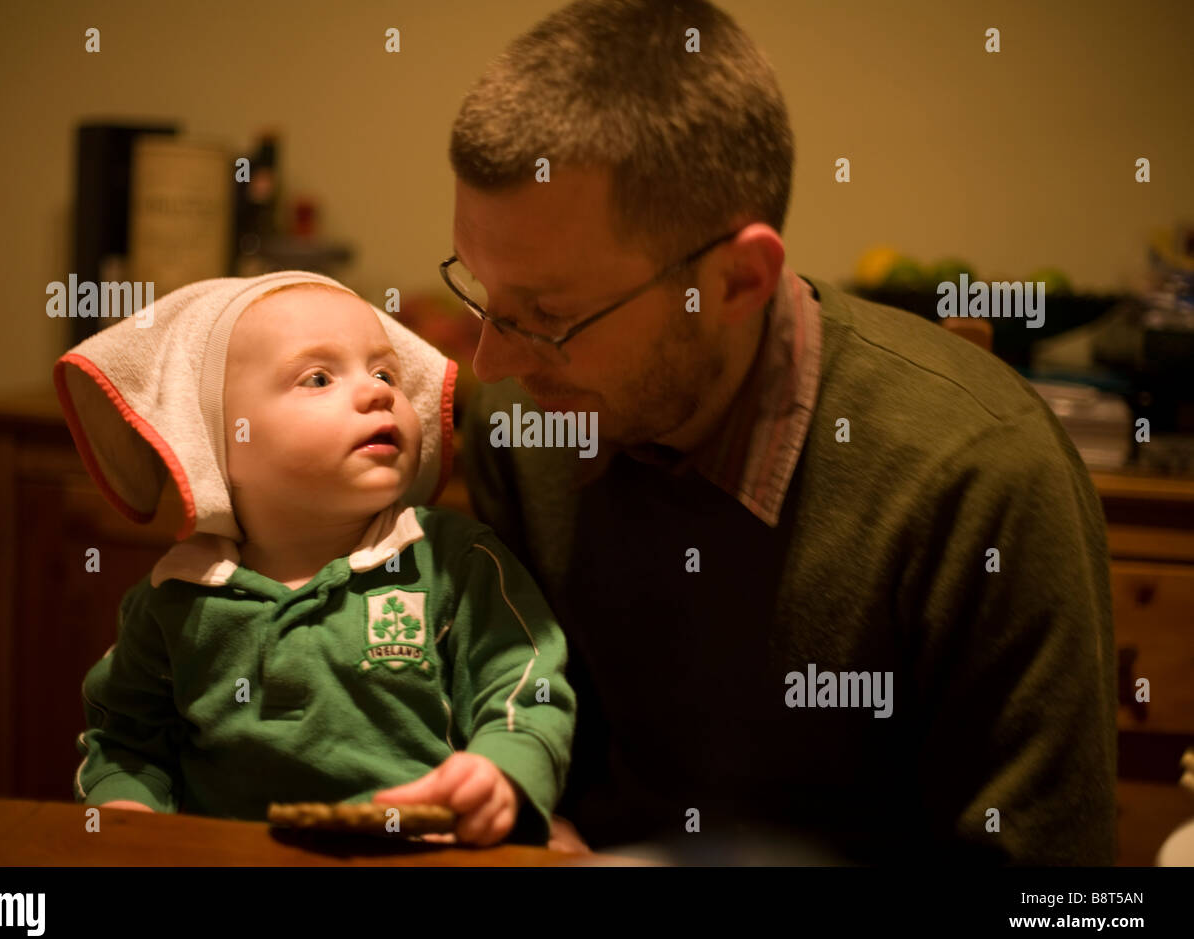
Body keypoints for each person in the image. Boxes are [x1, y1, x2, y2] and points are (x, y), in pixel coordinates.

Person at [449, 0, 1116, 863]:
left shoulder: (982, 477)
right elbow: (534, 752)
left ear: (738, 281)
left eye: (547, 314)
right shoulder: (525, 424)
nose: (492, 363)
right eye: (480, 290)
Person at [55, 271, 576, 847]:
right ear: (217, 441)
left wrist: (501, 772)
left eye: (385, 373)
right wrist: (127, 808)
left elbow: (525, 686)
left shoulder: (454, 563)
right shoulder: (173, 601)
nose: (379, 392)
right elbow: (126, 743)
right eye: (319, 377)